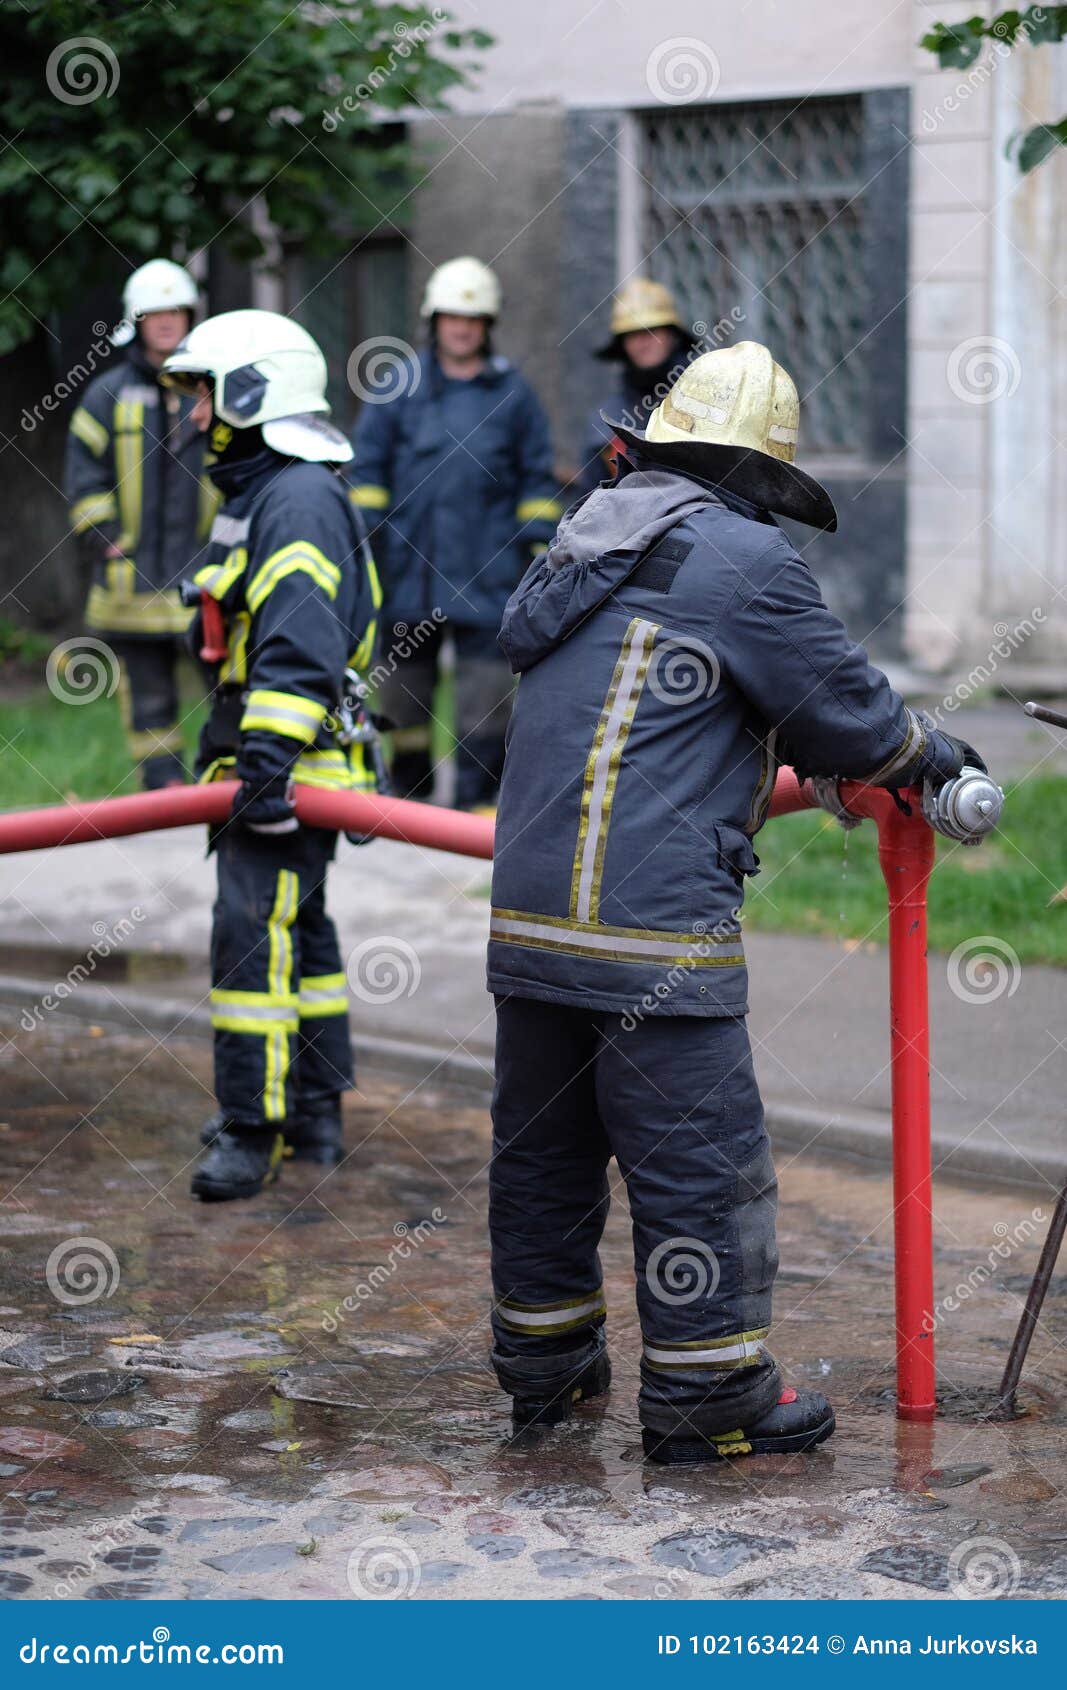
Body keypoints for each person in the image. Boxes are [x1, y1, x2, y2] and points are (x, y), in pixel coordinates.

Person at [485, 341, 990, 1462]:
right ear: (752, 476)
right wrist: (933, 755)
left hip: (526, 921)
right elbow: (850, 716)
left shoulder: (590, 531)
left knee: (544, 1157)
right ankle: (707, 1397)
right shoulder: (739, 557)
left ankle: (545, 1370)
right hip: (649, 929)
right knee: (698, 1160)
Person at [161, 309, 381, 1202]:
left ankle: (255, 1130)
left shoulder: (293, 498)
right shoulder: (273, 492)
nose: (194, 416)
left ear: (251, 395)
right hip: (280, 764)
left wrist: (264, 768)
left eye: (205, 394)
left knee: (249, 938)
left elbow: (296, 644)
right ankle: (317, 1112)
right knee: (301, 931)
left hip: (286, 770)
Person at [348, 257, 561, 811]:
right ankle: (405, 799)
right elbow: (366, 472)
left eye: (473, 319)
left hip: (489, 575)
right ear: (433, 321)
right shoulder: (398, 388)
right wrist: (366, 539)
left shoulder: (514, 396)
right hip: (406, 576)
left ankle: (478, 806)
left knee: (486, 703)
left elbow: (536, 480)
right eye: (451, 317)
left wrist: (533, 550)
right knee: (401, 696)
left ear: (488, 325)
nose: (462, 328)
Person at [64, 259, 219, 788]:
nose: (167, 321)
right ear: (137, 320)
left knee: (228, 685)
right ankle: (164, 792)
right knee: (148, 696)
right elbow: (83, 474)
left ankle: (235, 784)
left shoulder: (210, 390)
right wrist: (105, 534)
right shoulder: (105, 395)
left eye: (175, 310)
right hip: (132, 581)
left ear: (189, 316)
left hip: (205, 580)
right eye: (155, 313)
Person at [575, 277, 698, 499]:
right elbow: (592, 502)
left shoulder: (706, 402)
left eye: (653, 330)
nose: (644, 341)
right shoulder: (607, 422)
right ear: (621, 345)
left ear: (672, 336)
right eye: (633, 334)